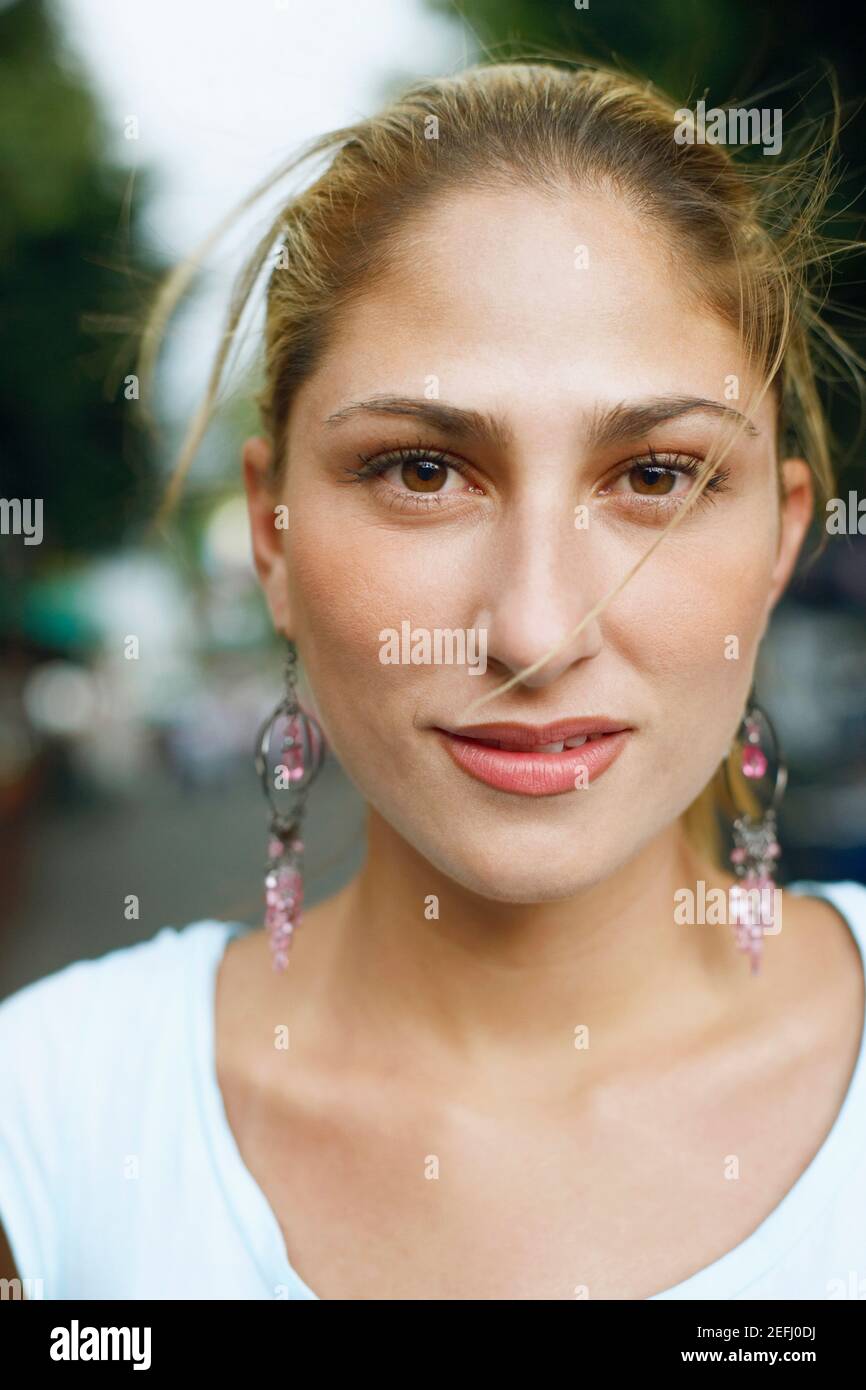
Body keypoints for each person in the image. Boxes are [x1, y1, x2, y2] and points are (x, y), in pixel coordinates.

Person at [2, 58, 865, 1302]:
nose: (535, 627)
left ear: (778, 541)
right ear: (272, 532)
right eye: (420, 471)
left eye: (656, 476)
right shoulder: (49, 1130)